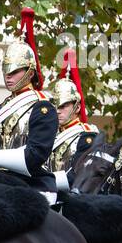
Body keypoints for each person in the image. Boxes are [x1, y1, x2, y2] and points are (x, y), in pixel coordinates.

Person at [0, 6, 58, 193]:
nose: (8, 76)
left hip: (33, 183)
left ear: (30, 72)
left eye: (15, 71)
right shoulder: (3, 106)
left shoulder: (42, 107)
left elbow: (34, 157)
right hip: (2, 179)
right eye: (6, 71)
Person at [47, 48, 100, 188]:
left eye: (63, 106)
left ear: (77, 108)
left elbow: (77, 175)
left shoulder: (87, 134)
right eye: (56, 106)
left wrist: (42, 182)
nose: (58, 111)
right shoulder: (50, 134)